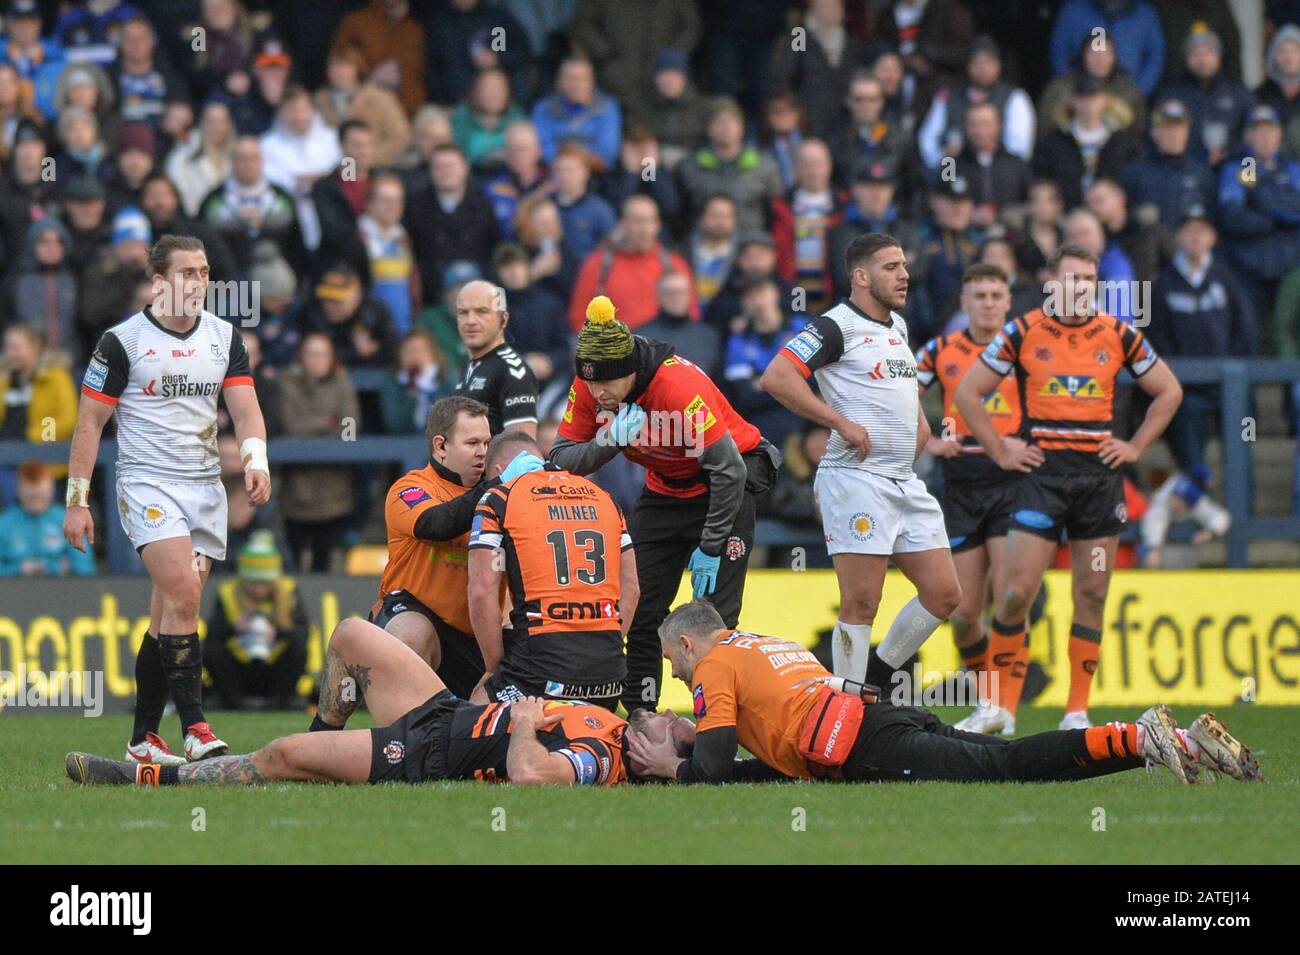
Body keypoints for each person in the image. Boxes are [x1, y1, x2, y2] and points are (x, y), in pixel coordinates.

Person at [624, 600, 1260, 785]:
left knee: (1005, 766)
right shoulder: (762, 642)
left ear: (686, 645)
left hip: (861, 742)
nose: (677, 676)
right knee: (997, 758)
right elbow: (768, 771)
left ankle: (1135, 736)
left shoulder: (711, 668)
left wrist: (668, 766)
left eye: (672, 660)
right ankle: (1176, 743)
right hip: (878, 717)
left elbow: (711, 767)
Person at [955, 243, 1182, 734]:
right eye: (1070, 279)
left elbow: (1170, 391)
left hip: (1099, 482)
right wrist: (1001, 450)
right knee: (1014, 593)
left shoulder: (1120, 334)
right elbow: (967, 393)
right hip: (1041, 479)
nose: (1079, 289)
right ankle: (1001, 710)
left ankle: (1076, 711)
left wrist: (1137, 446)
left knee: (1093, 593)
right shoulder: (1023, 330)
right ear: (1050, 283)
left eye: (1087, 281)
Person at [63, 234, 271, 765]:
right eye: (187, 273)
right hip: (147, 484)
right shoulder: (123, 342)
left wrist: (255, 460)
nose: (199, 282)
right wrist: (77, 500)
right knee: (182, 591)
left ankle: (141, 739)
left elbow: (245, 410)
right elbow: (89, 424)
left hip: (204, 487)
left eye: (204, 272)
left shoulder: (225, 337)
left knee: (169, 613)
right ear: (159, 282)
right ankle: (196, 727)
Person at [67, 617, 653, 787]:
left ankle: (143, 778)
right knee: (351, 634)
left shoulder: (606, 757)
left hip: (429, 751)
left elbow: (531, 776)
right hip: (447, 712)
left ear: (659, 764)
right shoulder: (619, 720)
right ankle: (328, 741)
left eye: (679, 732)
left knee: (279, 754)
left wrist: (524, 723)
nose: (669, 717)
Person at [550, 294, 780, 713]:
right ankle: (641, 718)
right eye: (591, 384)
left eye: (608, 384)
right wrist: (609, 440)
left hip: (726, 483)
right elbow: (562, 458)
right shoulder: (589, 386)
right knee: (639, 611)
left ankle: (716, 722)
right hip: (666, 488)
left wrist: (710, 548)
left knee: (713, 621)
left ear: (632, 372)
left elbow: (730, 472)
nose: (599, 394)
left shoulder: (677, 388)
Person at [759, 233, 960, 692]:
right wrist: (840, 424)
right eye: (891, 267)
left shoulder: (899, 328)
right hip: (855, 478)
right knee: (863, 599)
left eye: (905, 265)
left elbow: (894, 392)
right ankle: (847, 709)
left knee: (944, 594)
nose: (905, 274)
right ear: (862, 276)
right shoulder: (834, 326)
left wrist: (919, 427)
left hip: (902, 478)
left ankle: (874, 678)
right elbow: (777, 376)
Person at [915, 264, 1023, 713]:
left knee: (1011, 597)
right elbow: (902, 392)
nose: (988, 303)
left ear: (1008, 301)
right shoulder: (941, 349)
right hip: (960, 484)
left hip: (1013, 482)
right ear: (964, 302)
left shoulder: (1026, 349)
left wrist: (1029, 442)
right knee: (961, 616)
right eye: (979, 296)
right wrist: (929, 441)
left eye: (996, 295)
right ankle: (989, 701)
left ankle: (1005, 707)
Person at [468, 430, 638, 710]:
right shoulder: (604, 497)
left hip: (539, 671)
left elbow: (481, 590)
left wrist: (493, 666)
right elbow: (631, 588)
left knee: (472, 723)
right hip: (609, 675)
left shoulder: (498, 497)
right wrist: (607, 642)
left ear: (499, 470)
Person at [369, 396, 497, 697]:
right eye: (472, 443)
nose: (483, 453)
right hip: (410, 611)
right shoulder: (410, 488)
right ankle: (329, 729)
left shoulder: (501, 495)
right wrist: (495, 488)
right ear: (440, 446)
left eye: (488, 443)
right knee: (412, 632)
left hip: (472, 635)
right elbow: (437, 525)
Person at [276, 332, 360, 572]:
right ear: (301, 357)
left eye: (323, 354)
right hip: (296, 490)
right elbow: (290, 426)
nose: (317, 360)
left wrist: (322, 425)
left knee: (324, 559)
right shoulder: (287, 383)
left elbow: (350, 428)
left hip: (334, 490)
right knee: (291, 557)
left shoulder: (343, 383)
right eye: (311, 354)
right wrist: (328, 423)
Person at [202, 531, 310, 710]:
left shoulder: (288, 591)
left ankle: (281, 702)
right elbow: (211, 639)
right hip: (239, 668)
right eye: (253, 582)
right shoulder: (227, 592)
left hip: (274, 668)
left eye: (265, 583)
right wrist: (233, 628)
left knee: (298, 649)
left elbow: (303, 633)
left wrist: (278, 633)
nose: (259, 589)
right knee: (213, 651)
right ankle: (233, 703)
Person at [451, 279, 538, 436]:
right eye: (463, 312)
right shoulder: (471, 367)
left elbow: (522, 451)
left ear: (503, 319)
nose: (470, 321)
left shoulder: (513, 371)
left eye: (482, 311)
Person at [0, 460, 94, 576]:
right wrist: (19, 569)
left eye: (41, 496)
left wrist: (56, 568)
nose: (37, 503)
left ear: (51, 490)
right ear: (18, 490)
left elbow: (86, 568)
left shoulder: (67, 520)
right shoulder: (5, 524)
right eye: (31, 497)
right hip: (15, 590)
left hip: (63, 590)